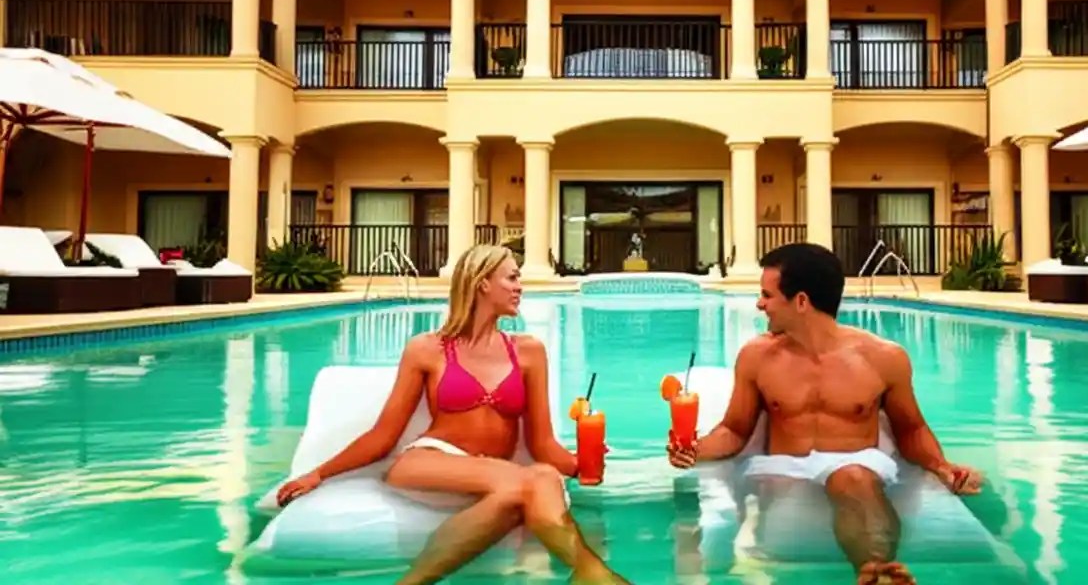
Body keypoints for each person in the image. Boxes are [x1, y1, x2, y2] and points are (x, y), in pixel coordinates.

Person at [275, 244, 629, 585]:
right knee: (528, 482)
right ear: (482, 283)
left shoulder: (529, 352)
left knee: (539, 479)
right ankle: (591, 572)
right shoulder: (427, 349)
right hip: (431, 459)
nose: (520, 287)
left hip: (492, 471)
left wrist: (582, 464)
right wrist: (318, 473)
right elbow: (384, 434)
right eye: (511, 278)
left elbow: (543, 444)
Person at [667, 242, 982, 585]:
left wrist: (942, 466)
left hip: (857, 464)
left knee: (852, 477)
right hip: (782, 468)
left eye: (767, 295)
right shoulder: (757, 357)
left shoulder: (883, 358)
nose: (759, 304)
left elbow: (911, 429)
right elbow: (734, 429)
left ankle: (877, 571)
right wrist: (694, 449)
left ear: (801, 301)